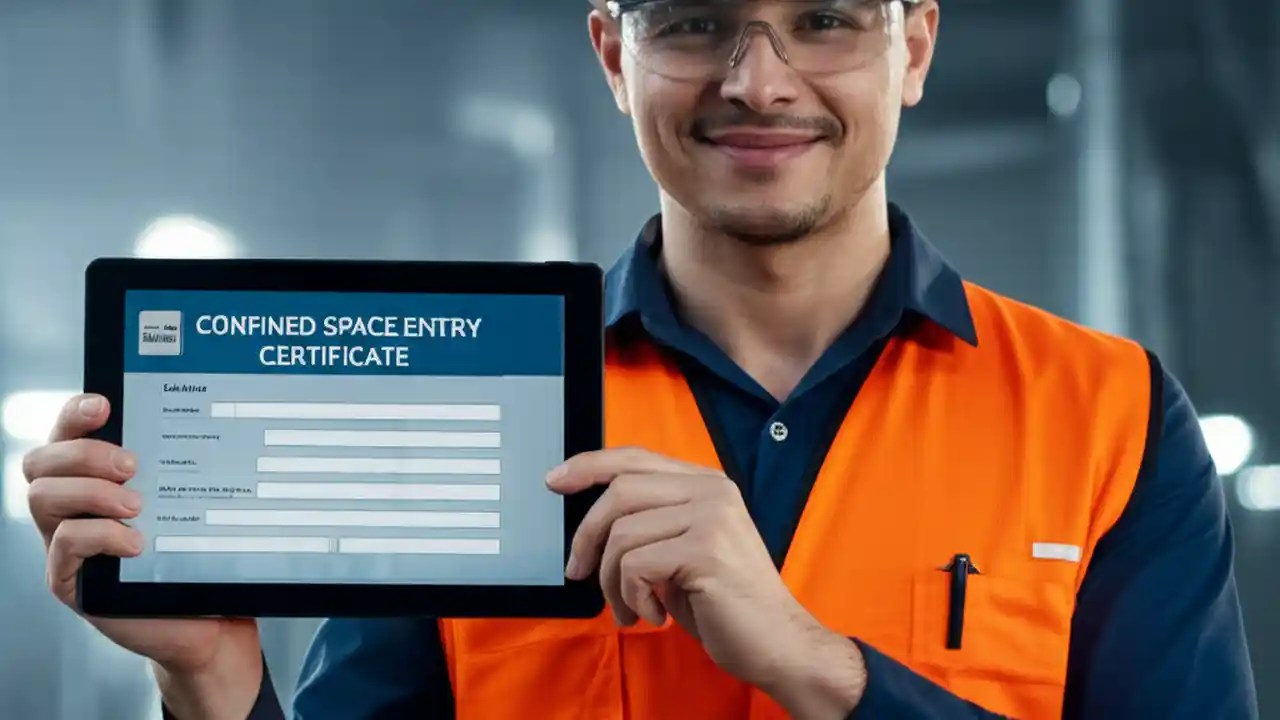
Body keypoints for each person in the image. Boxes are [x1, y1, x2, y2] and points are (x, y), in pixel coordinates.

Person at [23, 0, 1258, 717]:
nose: (755, 80)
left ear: (915, 45)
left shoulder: (1105, 414)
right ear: (614, 54)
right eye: (696, 23)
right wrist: (212, 688)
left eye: (821, 19)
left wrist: (819, 669)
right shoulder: (468, 403)